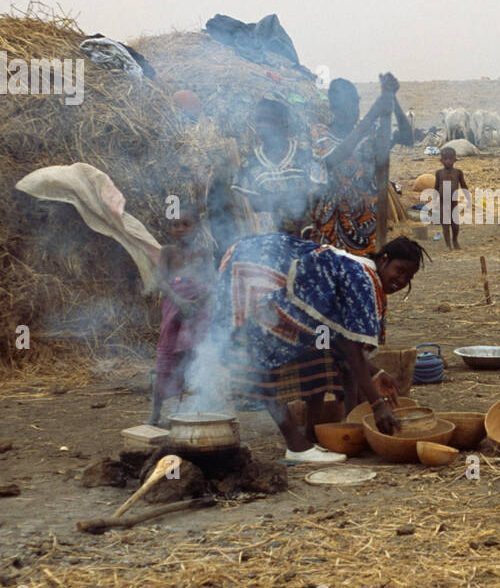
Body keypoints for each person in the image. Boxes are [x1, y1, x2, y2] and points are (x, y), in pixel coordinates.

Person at [216, 234, 430, 462]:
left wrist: (375, 372)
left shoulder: (361, 274)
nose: (402, 280)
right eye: (400, 270)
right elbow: (351, 348)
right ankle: (296, 445)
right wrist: (377, 405)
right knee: (262, 351)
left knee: (319, 346)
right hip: (255, 266)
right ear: (384, 260)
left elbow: (340, 338)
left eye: (409, 277)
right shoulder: (362, 277)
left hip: (258, 261)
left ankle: (309, 436)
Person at [308, 74, 400, 255]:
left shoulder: (369, 132)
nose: (352, 112)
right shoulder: (320, 133)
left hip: (367, 223)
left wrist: (390, 99)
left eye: (354, 105)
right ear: (333, 109)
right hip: (332, 223)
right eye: (345, 108)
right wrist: (372, 114)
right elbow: (335, 158)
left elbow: (385, 153)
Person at [151, 203, 213, 423]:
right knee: (167, 358)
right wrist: (179, 301)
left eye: (186, 224)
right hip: (174, 310)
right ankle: (155, 415)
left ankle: (186, 411)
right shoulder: (167, 252)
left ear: (197, 226)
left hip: (197, 310)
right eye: (175, 225)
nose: (180, 229)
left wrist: (196, 303)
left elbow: (211, 283)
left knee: (192, 357)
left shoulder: (203, 253)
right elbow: (161, 280)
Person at [233, 98, 315, 235]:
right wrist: (281, 198)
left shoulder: (304, 154)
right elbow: (245, 207)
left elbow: (319, 194)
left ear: (283, 123)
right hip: (271, 242)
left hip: (310, 238)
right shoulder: (249, 164)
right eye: (258, 120)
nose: (261, 125)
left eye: (267, 120)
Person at [433, 147, 469, 250]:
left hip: (454, 203)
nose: (448, 161)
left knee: (455, 225)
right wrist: (434, 201)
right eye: (445, 158)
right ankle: (448, 245)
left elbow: (463, 186)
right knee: (445, 224)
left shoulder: (458, 173)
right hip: (442, 203)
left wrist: (468, 199)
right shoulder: (439, 173)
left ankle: (455, 240)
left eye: (450, 158)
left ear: (454, 160)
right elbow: (436, 187)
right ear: (441, 160)